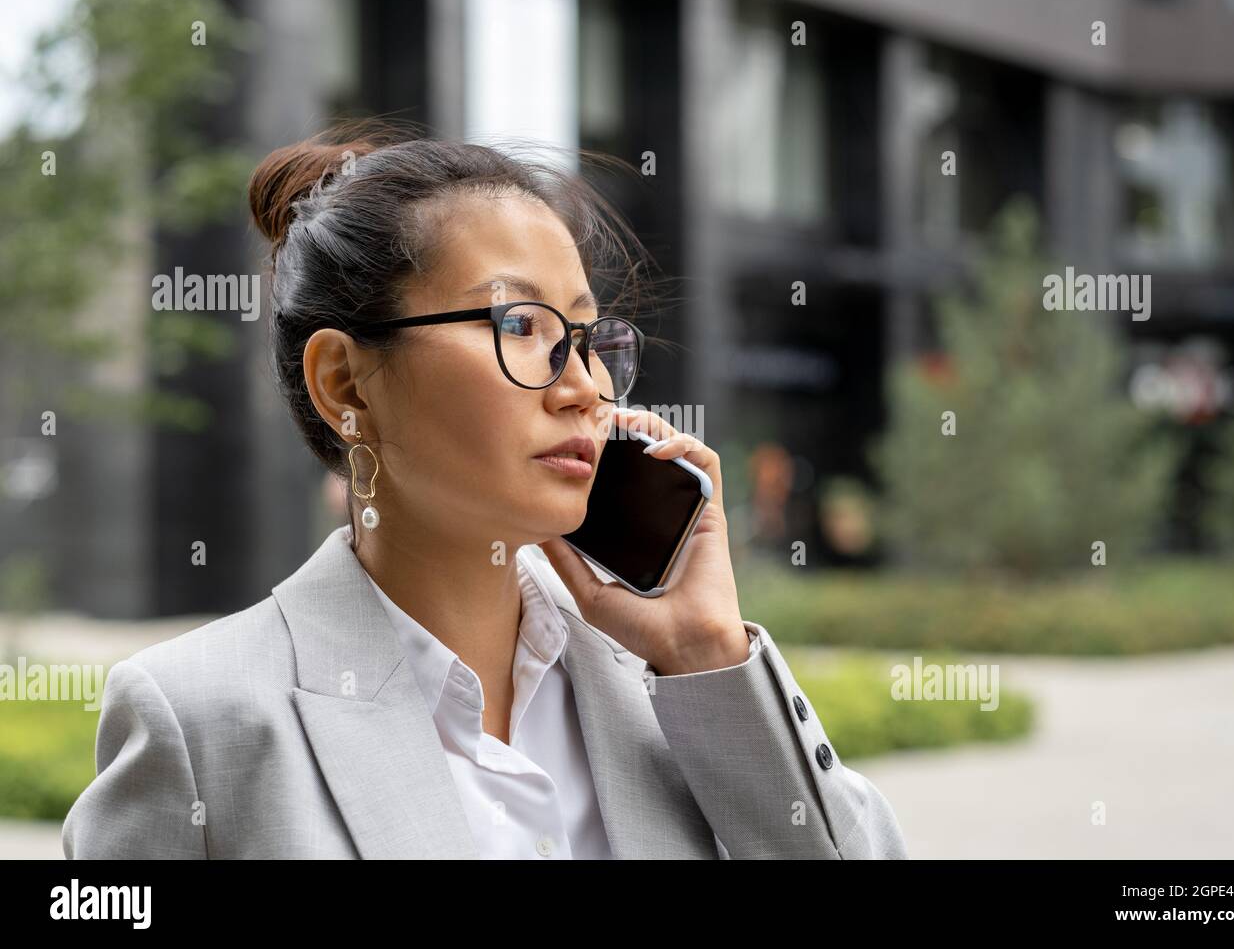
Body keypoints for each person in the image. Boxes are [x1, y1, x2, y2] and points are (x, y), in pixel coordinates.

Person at [61, 127, 907, 859]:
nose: (585, 386)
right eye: (519, 326)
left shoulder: (678, 693)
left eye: (587, 336)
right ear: (346, 383)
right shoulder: (201, 719)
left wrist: (707, 654)